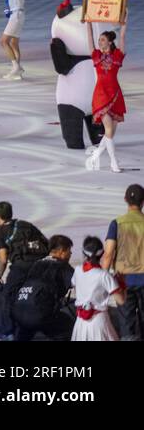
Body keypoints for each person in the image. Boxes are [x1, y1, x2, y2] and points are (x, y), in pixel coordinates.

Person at [0, 200, 52, 337]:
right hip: (40, 267)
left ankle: (7, 332)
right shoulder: (26, 225)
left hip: (20, 268)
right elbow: (46, 244)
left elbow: (3, 258)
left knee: (8, 296)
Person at [5, 234, 75, 341]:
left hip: (18, 310)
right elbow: (78, 283)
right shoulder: (62, 266)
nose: (70, 254)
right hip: (39, 313)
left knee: (25, 331)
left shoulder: (37, 264)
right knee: (67, 327)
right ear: (61, 251)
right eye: (69, 251)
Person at [103, 183, 144, 340]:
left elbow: (108, 255)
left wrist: (102, 277)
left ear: (125, 200)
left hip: (124, 279)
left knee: (126, 322)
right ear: (143, 202)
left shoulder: (117, 223)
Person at [86, 22, 128, 172]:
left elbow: (122, 35)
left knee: (110, 133)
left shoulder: (117, 55)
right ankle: (113, 162)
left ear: (110, 42)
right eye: (99, 40)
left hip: (115, 95)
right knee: (108, 129)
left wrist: (125, 19)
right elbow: (89, 37)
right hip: (100, 95)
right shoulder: (96, 55)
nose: (99, 42)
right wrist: (88, 22)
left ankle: (95, 156)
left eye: (102, 40)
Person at [73, 236, 125, 341]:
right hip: (99, 321)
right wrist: (121, 283)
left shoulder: (78, 270)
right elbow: (121, 301)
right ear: (102, 254)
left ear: (84, 253)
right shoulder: (104, 275)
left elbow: (76, 287)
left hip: (80, 322)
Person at [0, 0, 26, 80]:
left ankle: (15, 67)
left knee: (4, 41)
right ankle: (17, 70)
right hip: (17, 14)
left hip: (16, 15)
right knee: (14, 43)